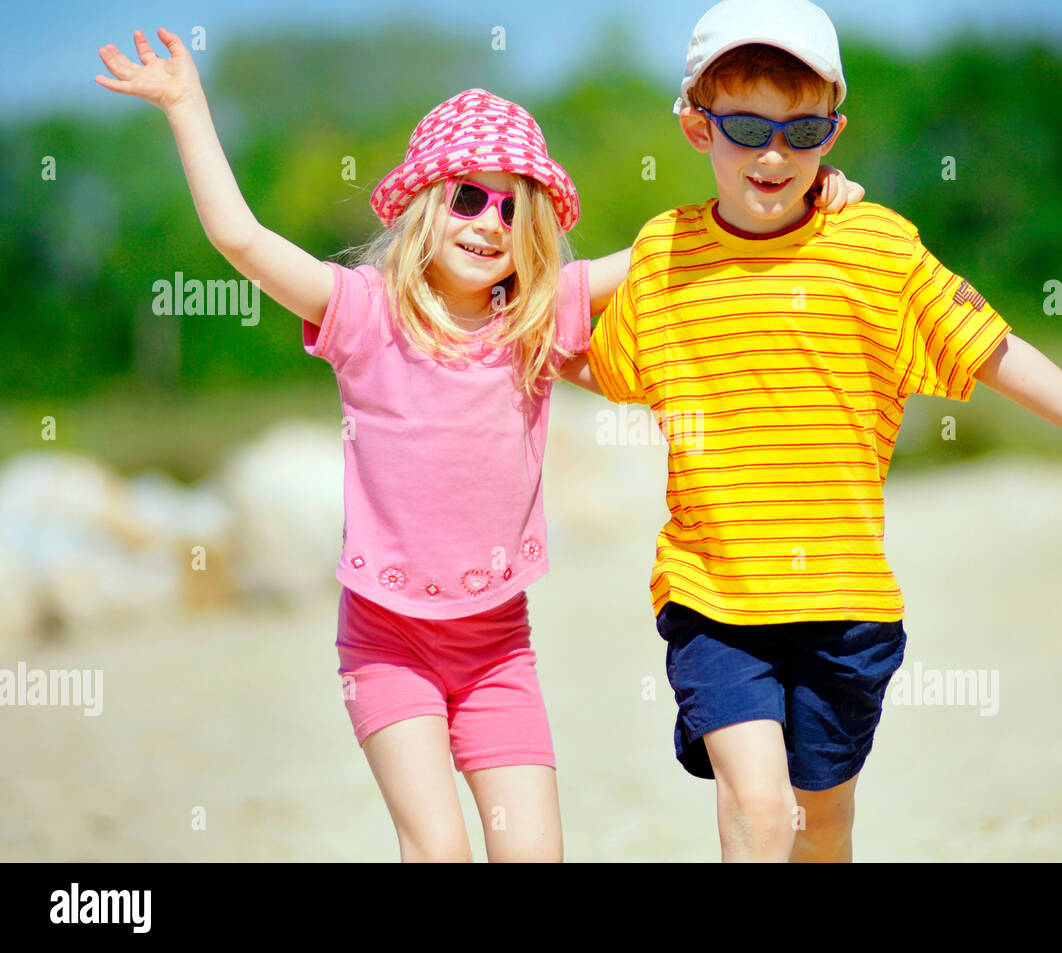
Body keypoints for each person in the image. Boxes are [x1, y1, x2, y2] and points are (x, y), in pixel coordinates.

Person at [94, 27, 863, 862]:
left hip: (499, 645)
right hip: (387, 643)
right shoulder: (362, 312)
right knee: (440, 849)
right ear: (426, 201)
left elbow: (666, 249)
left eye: (511, 206)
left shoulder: (536, 319)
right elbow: (240, 239)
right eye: (468, 196)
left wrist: (801, 193)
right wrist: (186, 106)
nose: (489, 222)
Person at [562, 0, 1062, 862]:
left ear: (834, 131)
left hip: (846, 606)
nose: (773, 153)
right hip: (712, 598)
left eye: (802, 132)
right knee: (757, 808)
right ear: (696, 126)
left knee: (820, 820)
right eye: (746, 125)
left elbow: (991, 349)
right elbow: (582, 349)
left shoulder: (877, 247)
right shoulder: (662, 257)